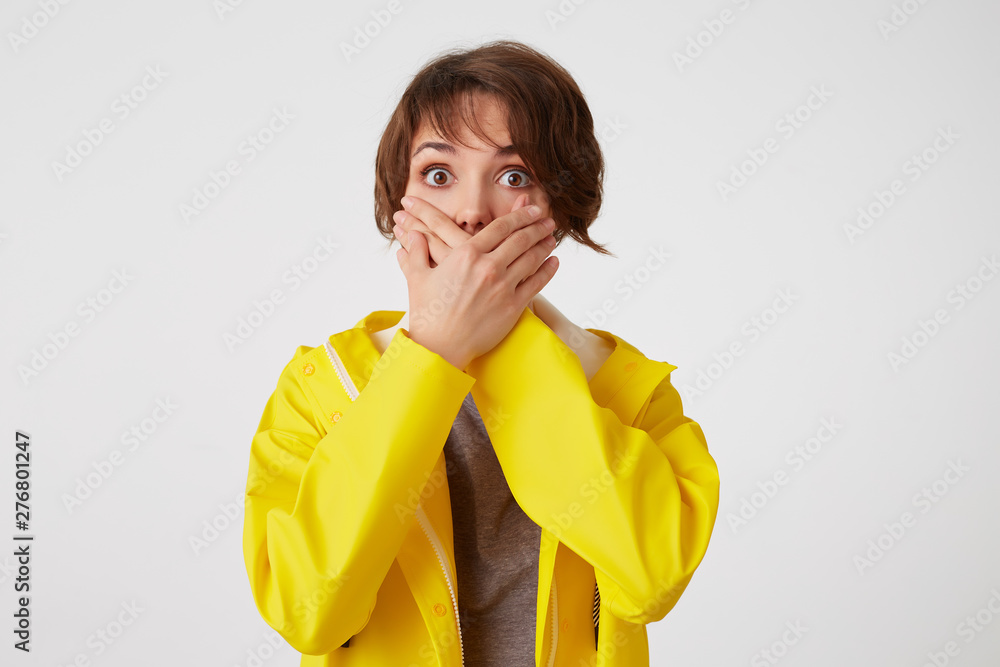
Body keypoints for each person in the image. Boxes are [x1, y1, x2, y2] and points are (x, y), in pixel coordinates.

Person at [242, 39, 721, 666]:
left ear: (559, 207)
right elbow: (308, 612)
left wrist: (507, 339)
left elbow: (652, 576)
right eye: (437, 175)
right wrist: (433, 351)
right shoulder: (320, 389)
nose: (470, 212)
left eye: (514, 176)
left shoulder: (629, 392)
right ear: (398, 204)